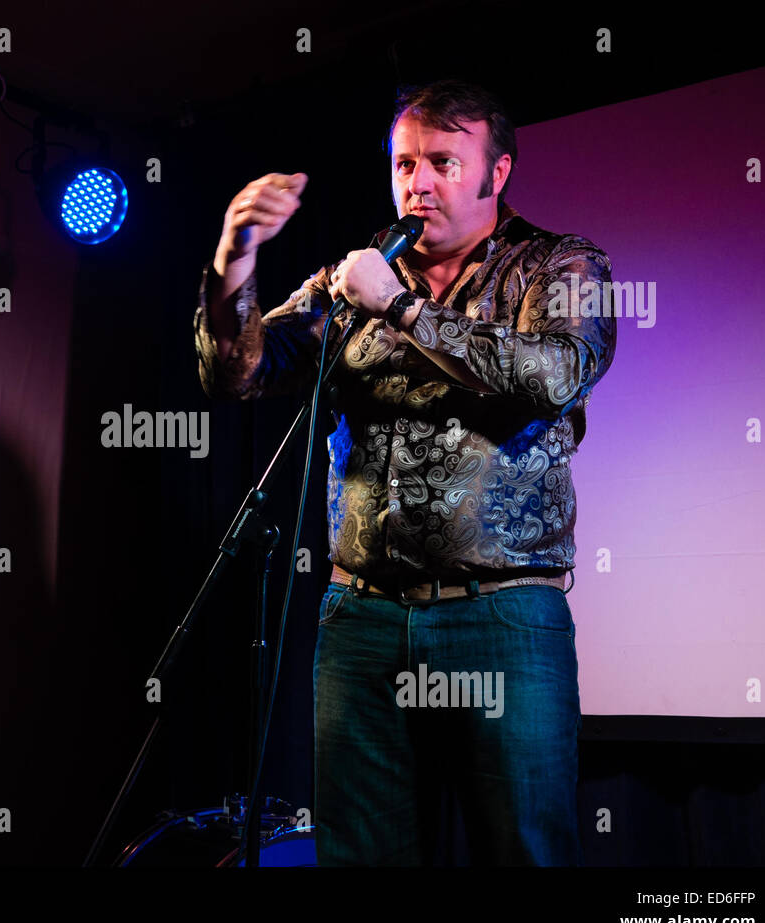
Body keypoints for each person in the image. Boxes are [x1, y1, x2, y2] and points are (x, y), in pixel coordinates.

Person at [193, 79, 617, 865]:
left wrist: (405, 311)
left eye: (443, 164)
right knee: (361, 855)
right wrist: (235, 259)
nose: (417, 182)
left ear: (497, 174)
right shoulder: (351, 281)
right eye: (403, 164)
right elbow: (237, 373)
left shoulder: (559, 264)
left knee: (524, 850)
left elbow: (555, 376)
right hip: (362, 620)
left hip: (503, 615)